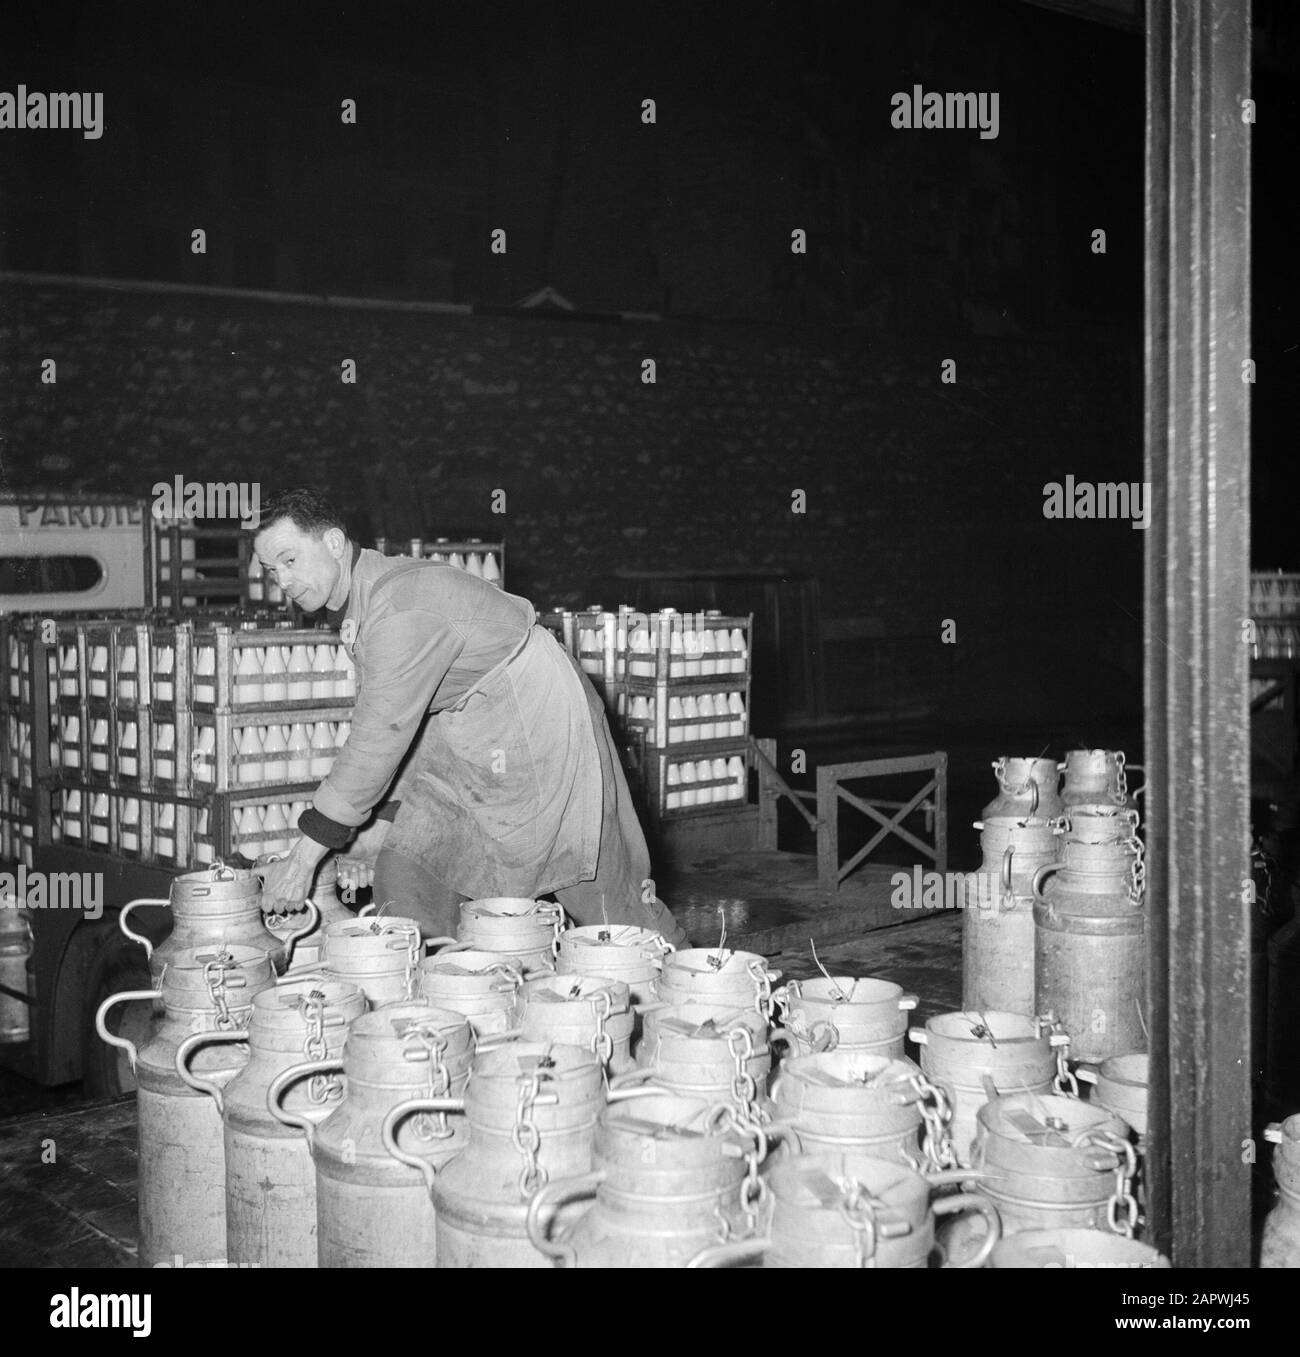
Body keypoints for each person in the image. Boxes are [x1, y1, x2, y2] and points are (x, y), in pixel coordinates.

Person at [253, 488, 687, 946]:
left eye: (289, 560)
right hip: (470, 737)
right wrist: (380, 824)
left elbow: (377, 739)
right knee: (409, 874)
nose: (282, 579)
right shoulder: (365, 605)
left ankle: (696, 990)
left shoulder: (399, 609)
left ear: (335, 543)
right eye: (270, 569)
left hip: (539, 722)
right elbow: (403, 724)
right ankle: (445, 997)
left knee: (598, 895)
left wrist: (303, 859)